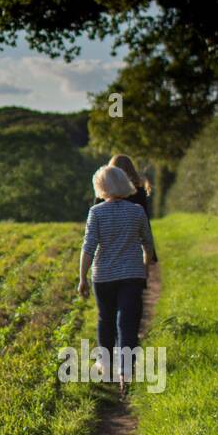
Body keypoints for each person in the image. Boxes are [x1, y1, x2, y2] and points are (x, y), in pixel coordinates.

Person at [78, 165, 158, 391]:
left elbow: (88, 247)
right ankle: (126, 371)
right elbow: (148, 244)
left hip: (103, 276)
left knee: (106, 320)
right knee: (127, 322)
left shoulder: (96, 212)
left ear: (100, 186)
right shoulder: (136, 211)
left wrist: (82, 278)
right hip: (131, 275)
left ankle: (106, 367)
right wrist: (144, 269)